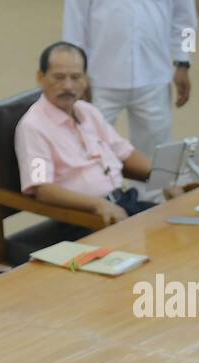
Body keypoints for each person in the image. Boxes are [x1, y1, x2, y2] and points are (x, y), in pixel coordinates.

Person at [15, 42, 173, 240]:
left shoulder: (88, 112)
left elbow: (125, 153)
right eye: (59, 77)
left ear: (85, 80)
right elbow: (42, 188)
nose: (68, 86)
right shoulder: (33, 127)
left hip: (123, 202)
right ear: (41, 77)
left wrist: (166, 176)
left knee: (178, 227)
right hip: (85, 218)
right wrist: (97, 205)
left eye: (75, 77)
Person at [62, 0, 197, 203]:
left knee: (156, 150)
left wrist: (183, 61)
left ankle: (151, 207)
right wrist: (76, 70)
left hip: (154, 76)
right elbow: (74, 21)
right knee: (88, 146)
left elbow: (185, 20)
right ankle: (91, 208)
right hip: (100, 77)